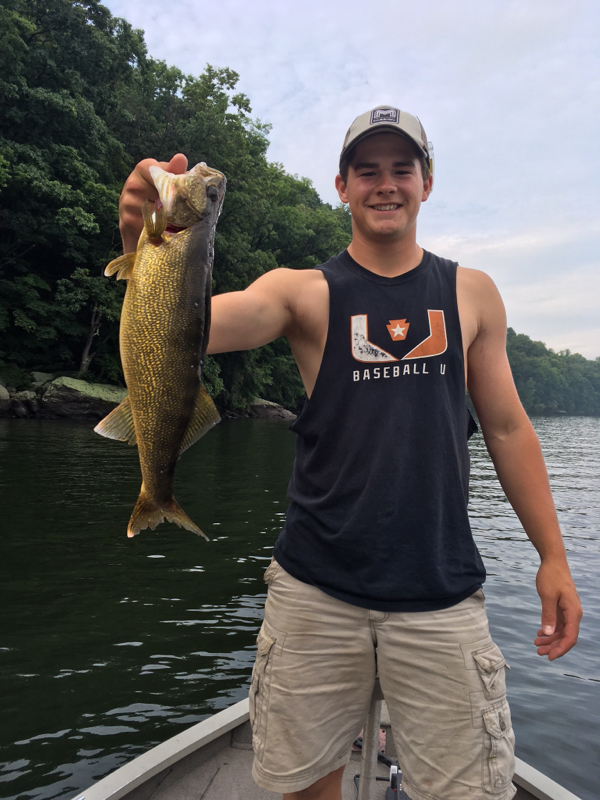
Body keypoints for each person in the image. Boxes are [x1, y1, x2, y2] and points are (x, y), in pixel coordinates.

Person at [119, 106, 582, 800]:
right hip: (314, 590)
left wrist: (553, 556)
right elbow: (184, 329)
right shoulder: (300, 292)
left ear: (428, 183)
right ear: (341, 185)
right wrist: (145, 244)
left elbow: (510, 430)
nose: (385, 184)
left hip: (440, 593)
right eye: (368, 170)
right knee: (303, 786)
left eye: (403, 168)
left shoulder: (472, 294)